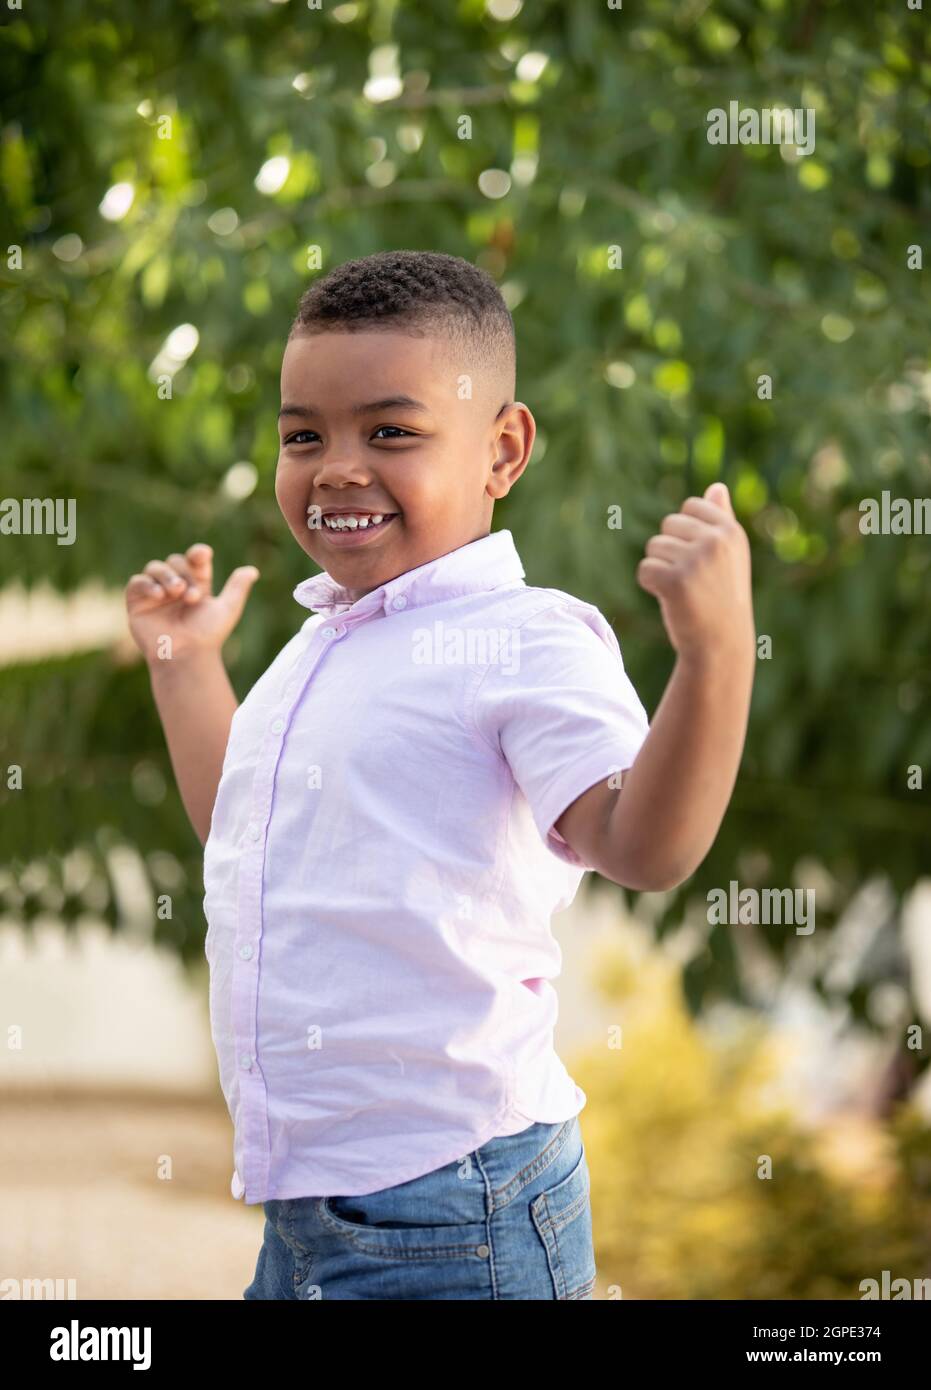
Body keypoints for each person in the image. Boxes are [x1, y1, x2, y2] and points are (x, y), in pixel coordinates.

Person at [124, 249, 755, 1299]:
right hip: (308, 1218)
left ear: (502, 451)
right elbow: (245, 827)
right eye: (302, 436)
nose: (336, 467)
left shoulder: (525, 639)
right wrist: (185, 665)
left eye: (390, 432)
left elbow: (644, 847)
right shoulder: (319, 645)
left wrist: (716, 652)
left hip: (458, 1211)